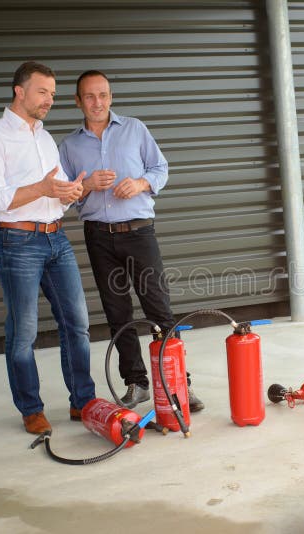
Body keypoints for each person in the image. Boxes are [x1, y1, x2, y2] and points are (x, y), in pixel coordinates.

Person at [59, 70, 203, 412]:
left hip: (139, 233)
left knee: (159, 309)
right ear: (78, 101)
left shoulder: (135, 129)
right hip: (98, 237)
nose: (98, 102)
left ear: (111, 97)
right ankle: (136, 383)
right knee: (117, 312)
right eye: (90, 97)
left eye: (104, 95)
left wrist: (139, 184)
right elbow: (63, 197)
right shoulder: (68, 146)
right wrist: (88, 185)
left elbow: (161, 169)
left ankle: (179, 383)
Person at [0, 61, 97, 435]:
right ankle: (31, 408)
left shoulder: (43, 137)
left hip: (55, 237)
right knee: (23, 332)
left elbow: (53, 194)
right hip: (17, 242)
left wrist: (73, 192)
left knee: (77, 324)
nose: (50, 100)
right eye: (43, 92)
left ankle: (82, 402)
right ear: (20, 91)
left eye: (54, 95)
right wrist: (42, 189)